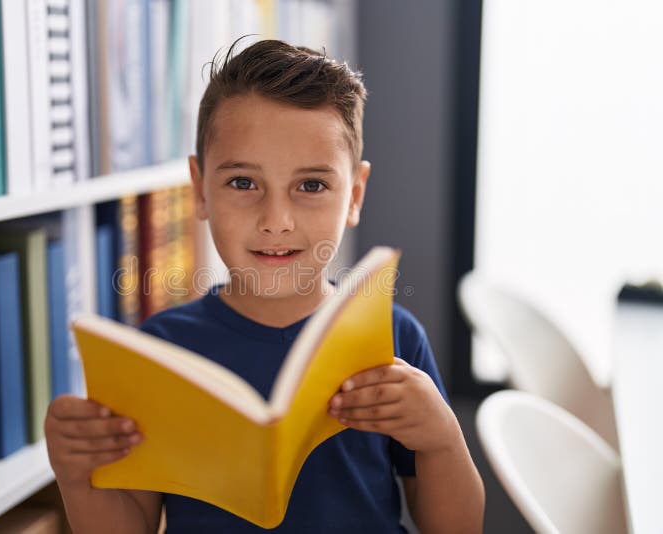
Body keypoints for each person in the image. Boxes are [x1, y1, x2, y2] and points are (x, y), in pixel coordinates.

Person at [45, 39, 485, 533]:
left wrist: (441, 438)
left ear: (354, 194)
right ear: (200, 187)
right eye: (243, 183)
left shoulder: (389, 339)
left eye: (312, 185)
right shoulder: (160, 354)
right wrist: (77, 476)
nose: (276, 221)